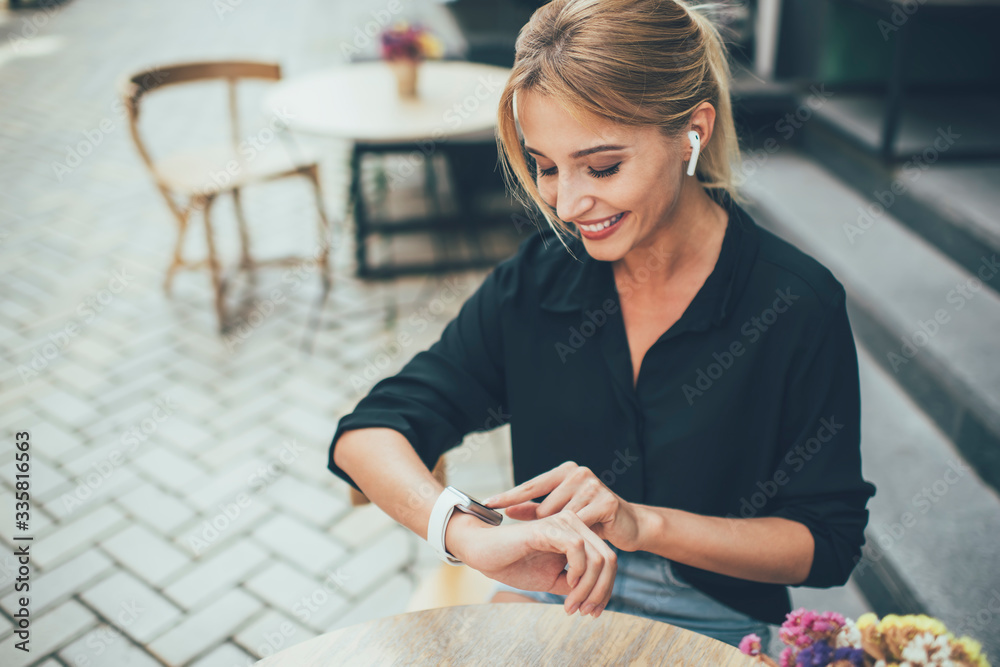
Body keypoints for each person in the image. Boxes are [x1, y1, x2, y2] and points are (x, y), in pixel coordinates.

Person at [329, 0, 876, 650]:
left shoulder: (796, 304)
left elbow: (827, 542)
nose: (565, 203)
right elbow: (365, 434)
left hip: (717, 621)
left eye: (602, 166)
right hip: (550, 597)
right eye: (546, 166)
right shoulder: (538, 281)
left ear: (691, 135)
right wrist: (471, 535)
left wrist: (639, 523)